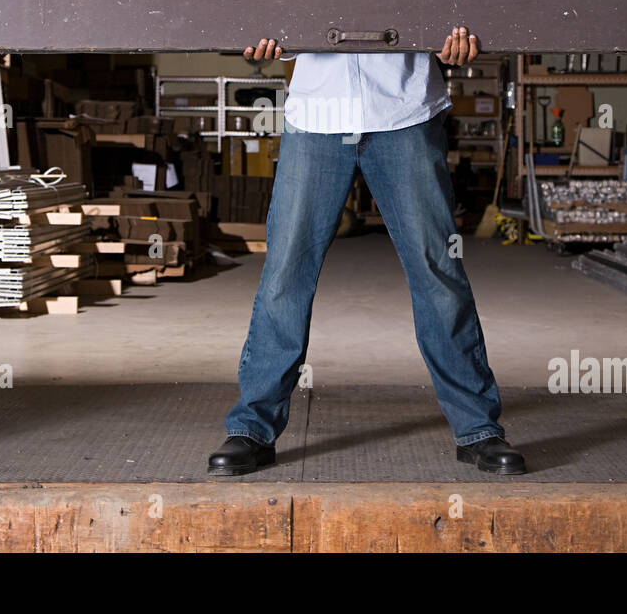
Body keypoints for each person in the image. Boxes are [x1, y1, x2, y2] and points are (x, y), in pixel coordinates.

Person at [208, 27, 526, 476]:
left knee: (437, 272)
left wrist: (456, 32)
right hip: (318, 114)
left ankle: (478, 428)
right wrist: (271, 35)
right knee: (285, 274)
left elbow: (452, 2)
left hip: (404, 109)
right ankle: (253, 428)